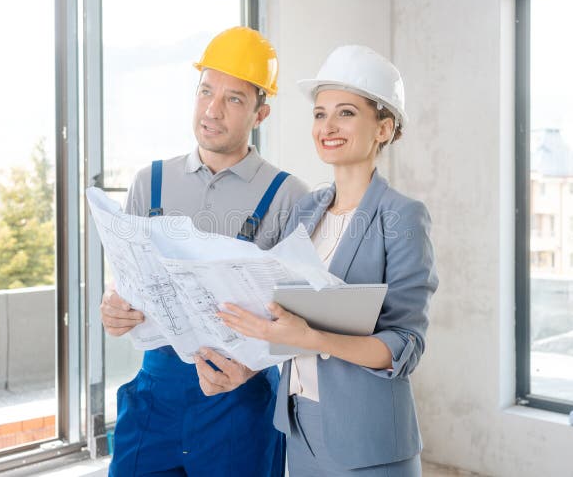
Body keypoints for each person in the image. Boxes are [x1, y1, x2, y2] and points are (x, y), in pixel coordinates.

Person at [218, 45, 439, 476]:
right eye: (320, 114)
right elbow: (275, 303)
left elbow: (405, 346)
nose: (328, 126)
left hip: (368, 439)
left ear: (383, 128)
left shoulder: (402, 215)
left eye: (346, 113)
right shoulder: (306, 209)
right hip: (299, 427)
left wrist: (312, 338)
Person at [100, 26, 308, 477]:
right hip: (154, 394)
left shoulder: (289, 196)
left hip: (240, 399)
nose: (212, 110)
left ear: (261, 112)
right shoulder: (147, 182)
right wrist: (113, 307)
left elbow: (304, 321)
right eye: (205, 91)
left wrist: (251, 371)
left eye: (234, 98)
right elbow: (125, 283)